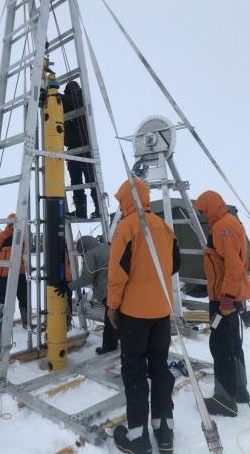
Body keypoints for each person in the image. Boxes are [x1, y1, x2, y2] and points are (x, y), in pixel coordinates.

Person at [107, 179, 181, 454]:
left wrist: (113, 307)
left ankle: (137, 436)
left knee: (135, 371)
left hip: (135, 315)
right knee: (160, 368)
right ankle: (165, 431)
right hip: (161, 312)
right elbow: (175, 264)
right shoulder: (164, 227)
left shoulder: (126, 228)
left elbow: (116, 274)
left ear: (128, 199)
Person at [194, 190, 250, 416]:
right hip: (232, 296)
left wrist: (226, 297)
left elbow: (234, 266)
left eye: (203, 209)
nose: (202, 214)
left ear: (211, 206)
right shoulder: (229, 222)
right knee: (233, 344)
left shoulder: (223, 228)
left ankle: (224, 400)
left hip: (223, 299)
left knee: (221, 346)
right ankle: (239, 390)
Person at [56, 235, 118, 354]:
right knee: (117, 319)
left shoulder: (90, 254)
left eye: (81, 252)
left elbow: (86, 278)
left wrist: (68, 287)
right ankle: (116, 345)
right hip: (119, 288)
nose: (81, 255)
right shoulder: (107, 247)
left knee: (110, 321)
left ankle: (110, 347)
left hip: (107, 290)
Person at [61, 81, 99, 219]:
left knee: (91, 180)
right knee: (76, 181)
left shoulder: (81, 98)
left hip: (85, 147)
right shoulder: (69, 103)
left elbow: (71, 102)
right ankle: (81, 211)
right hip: (73, 149)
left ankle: (99, 209)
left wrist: (54, 96)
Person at [0, 213, 28, 329]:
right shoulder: (0, 237)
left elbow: (24, 253)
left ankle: (25, 322)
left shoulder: (22, 238)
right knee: (3, 300)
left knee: (23, 297)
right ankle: (2, 324)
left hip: (19, 273)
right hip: (3, 275)